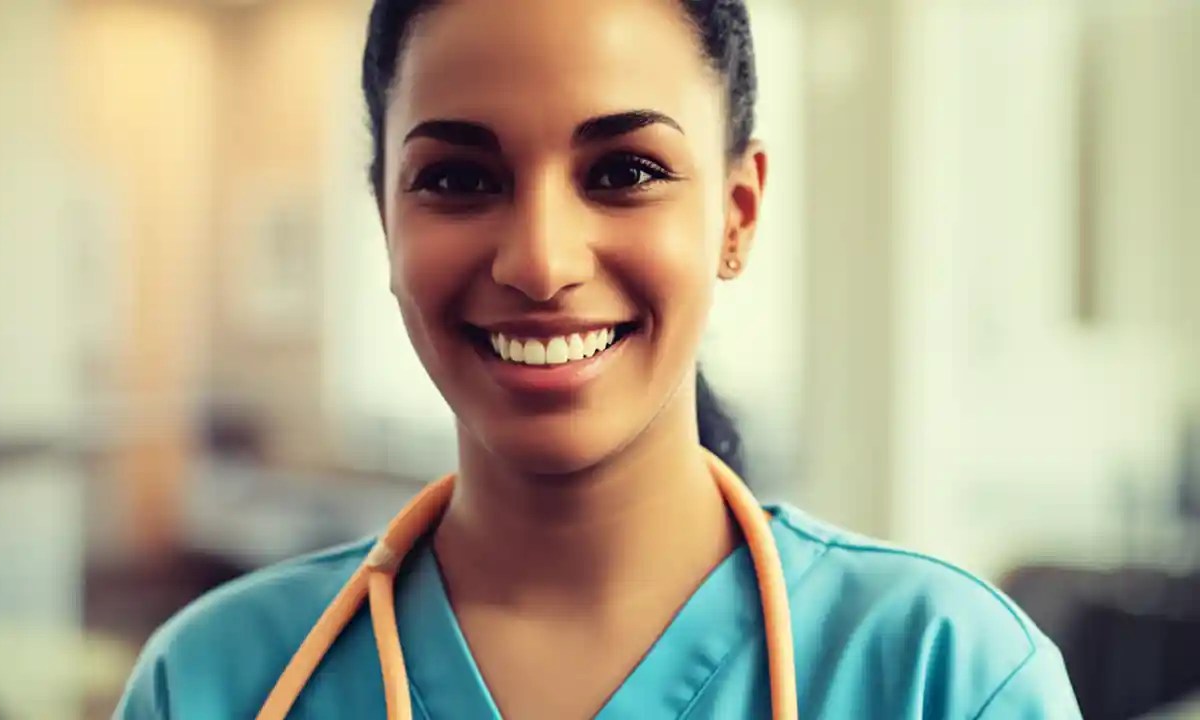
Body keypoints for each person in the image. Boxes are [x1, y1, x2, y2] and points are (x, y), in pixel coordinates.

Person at [116, 0, 1083, 717]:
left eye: (625, 173)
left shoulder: (946, 677)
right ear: (385, 219)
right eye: (457, 178)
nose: (539, 261)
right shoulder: (212, 683)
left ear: (737, 216)